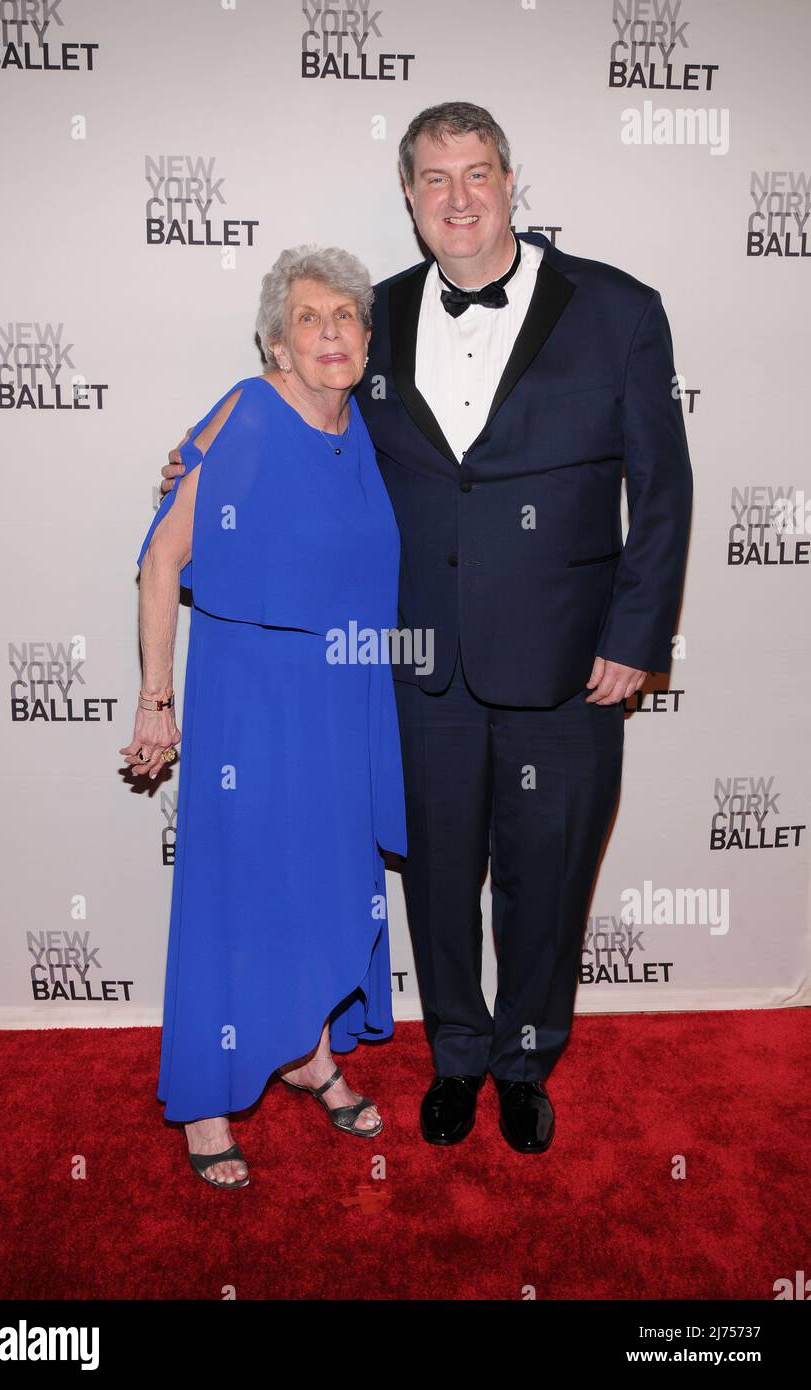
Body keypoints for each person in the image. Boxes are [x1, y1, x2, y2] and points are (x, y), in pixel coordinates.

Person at [160, 102, 693, 1158]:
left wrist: (636, 635)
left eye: (477, 172)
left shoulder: (619, 308)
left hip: (567, 663)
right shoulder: (372, 317)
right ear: (408, 197)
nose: (457, 196)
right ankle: (455, 1054)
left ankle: (524, 1058)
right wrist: (197, 464)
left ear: (510, 181)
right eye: (434, 178)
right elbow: (294, 416)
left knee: (547, 878)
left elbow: (662, 487)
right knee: (439, 875)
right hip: (415, 665)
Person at [122, 245, 406, 1189]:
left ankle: (307, 1052)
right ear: (276, 341)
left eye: (347, 318)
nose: (331, 333)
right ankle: (205, 1102)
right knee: (236, 886)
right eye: (310, 318)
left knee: (330, 875)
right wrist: (156, 700)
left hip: (346, 692)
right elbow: (163, 559)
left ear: (367, 338)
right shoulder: (244, 412)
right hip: (255, 697)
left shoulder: (368, 428)